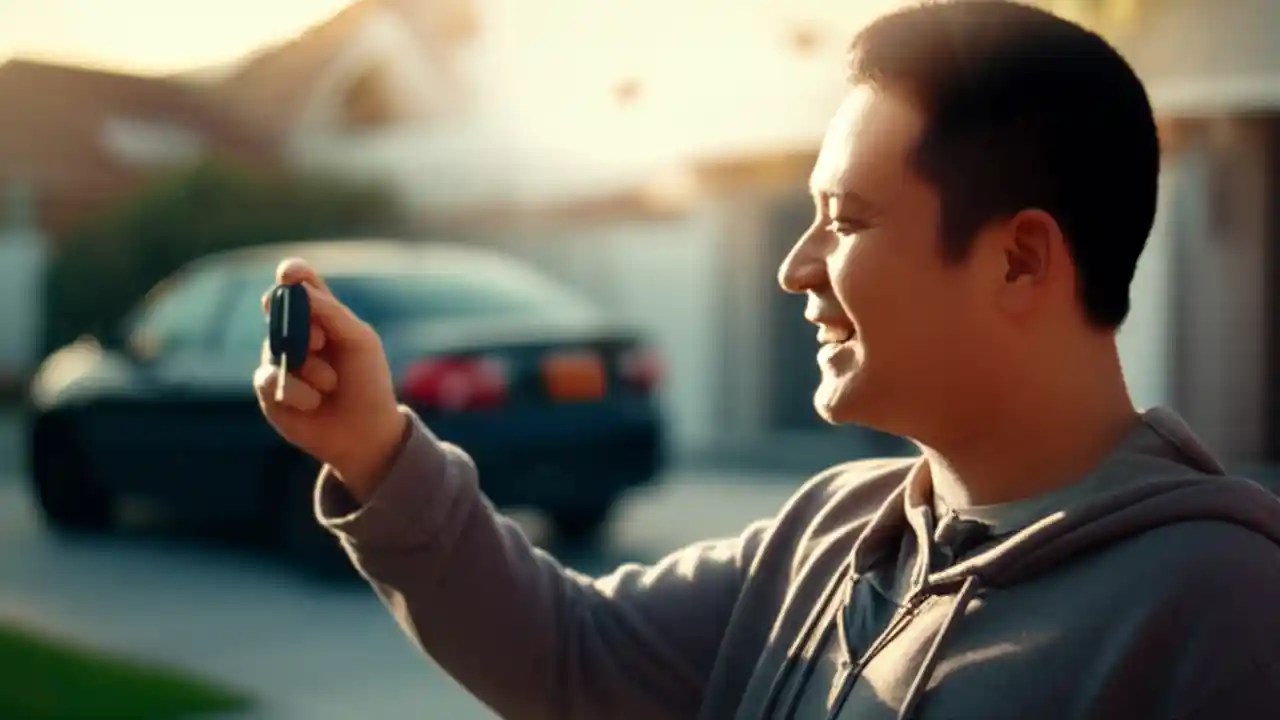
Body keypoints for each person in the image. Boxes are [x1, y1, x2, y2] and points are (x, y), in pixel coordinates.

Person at [254, 2, 1280, 718]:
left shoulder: (1221, 612)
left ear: (1017, 261)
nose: (793, 269)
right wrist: (375, 449)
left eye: (844, 220)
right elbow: (567, 655)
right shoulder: (827, 532)